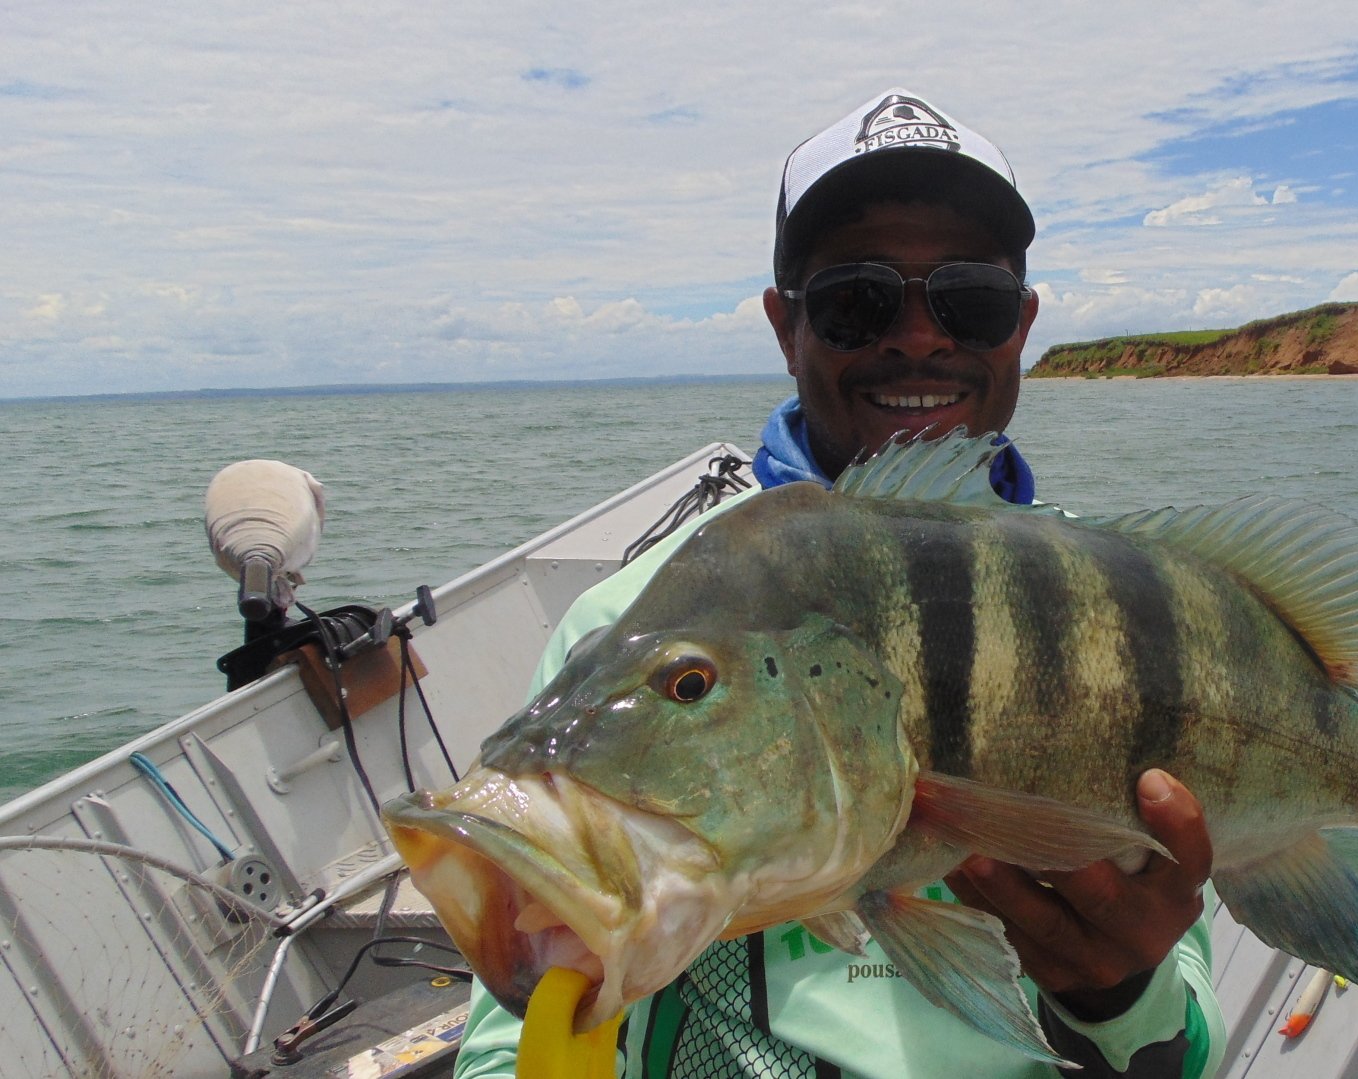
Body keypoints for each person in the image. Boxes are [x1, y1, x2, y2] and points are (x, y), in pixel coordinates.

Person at [453, 88, 1226, 1078]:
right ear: (787, 324)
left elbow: (1181, 1055)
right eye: (858, 298)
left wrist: (1118, 991)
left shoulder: (1131, 622)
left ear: (1022, 325)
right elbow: (504, 1045)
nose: (915, 336)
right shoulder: (628, 623)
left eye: (970, 299)